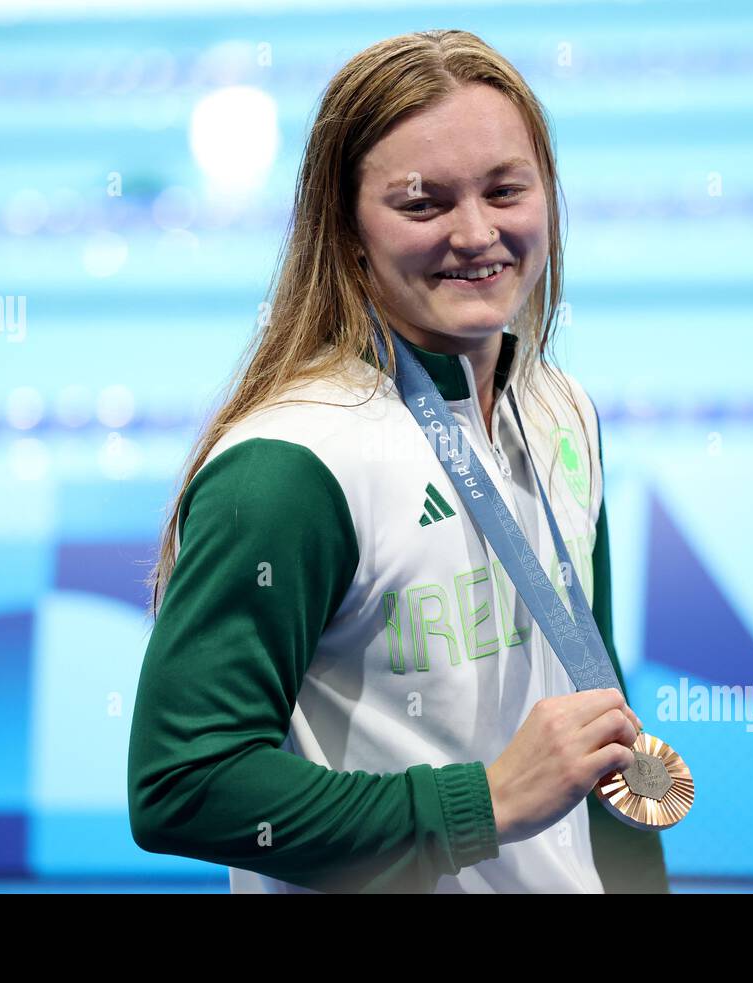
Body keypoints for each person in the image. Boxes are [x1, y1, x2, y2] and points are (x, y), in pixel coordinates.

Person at [128, 28, 668, 894]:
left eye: (505, 190)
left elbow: (597, 708)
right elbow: (182, 781)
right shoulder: (291, 465)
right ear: (346, 231)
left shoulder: (561, 410)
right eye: (424, 204)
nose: (477, 233)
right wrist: (481, 803)